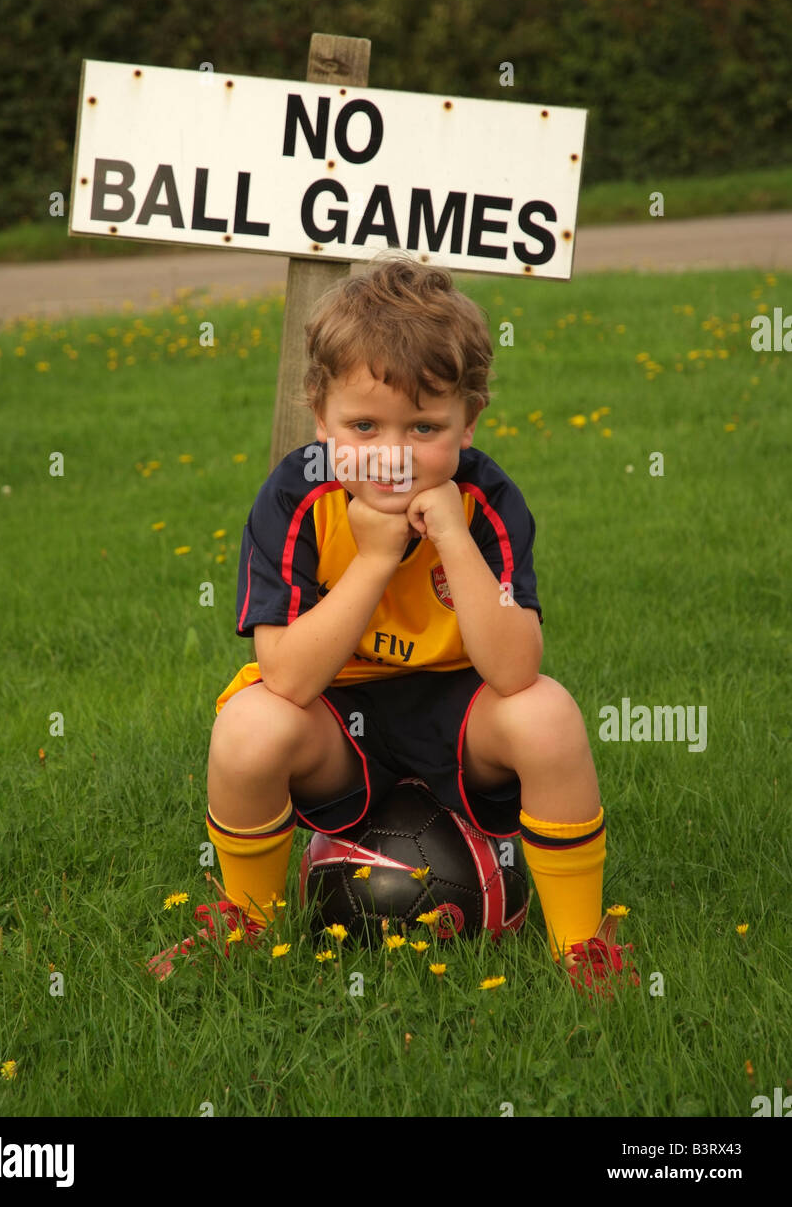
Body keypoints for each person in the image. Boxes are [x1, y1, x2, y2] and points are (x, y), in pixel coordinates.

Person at [150, 256, 638, 999]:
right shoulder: (295, 499)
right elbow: (287, 676)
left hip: (458, 709)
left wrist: (448, 538)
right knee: (248, 726)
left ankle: (581, 942)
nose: (393, 455)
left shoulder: (486, 499)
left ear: (468, 423)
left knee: (548, 716)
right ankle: (246, 917)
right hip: (337, 722)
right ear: (319, 415)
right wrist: (374, 561)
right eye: (363, 425)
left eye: (425, 427)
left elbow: (513, 671)